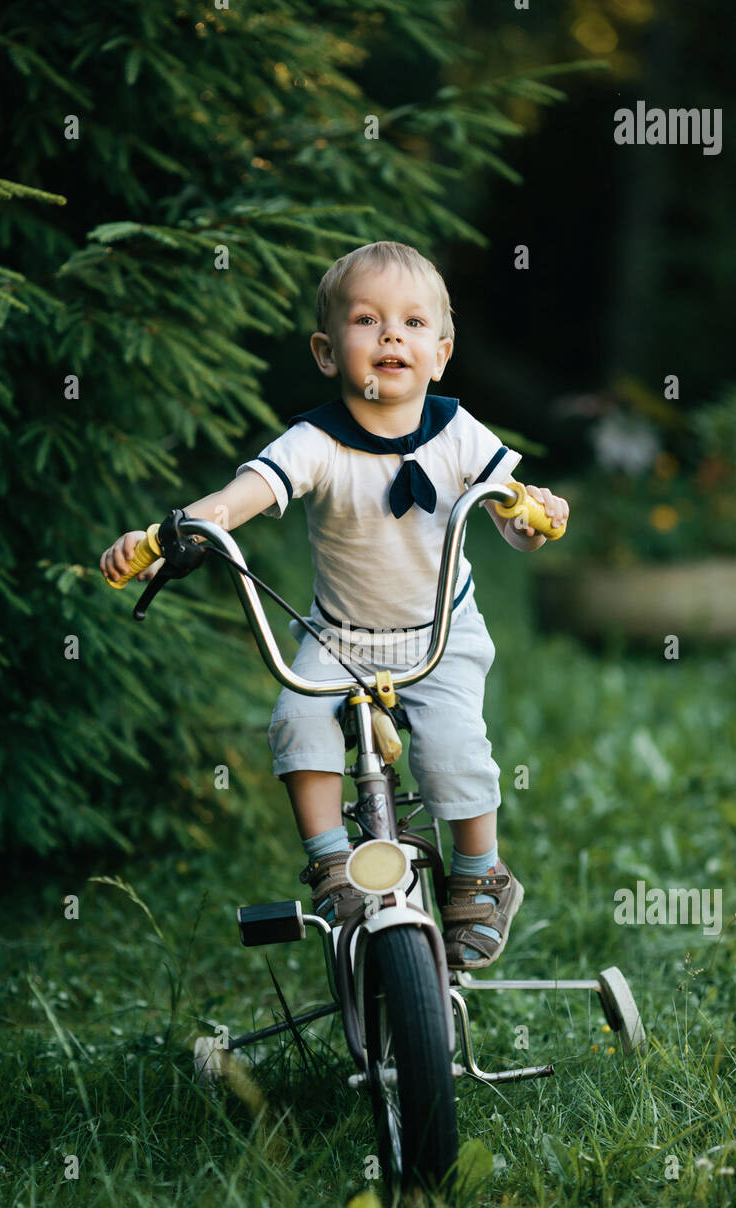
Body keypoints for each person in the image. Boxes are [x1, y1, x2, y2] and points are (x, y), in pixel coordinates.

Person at [100, 241, 569, 968]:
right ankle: (331, 865)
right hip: (341, 637)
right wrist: (169, 534)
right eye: (367, 320)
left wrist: (533, 514)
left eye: (413, 323)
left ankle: (481, 874)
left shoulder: (459, 432)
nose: (391, 336)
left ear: (440, 353)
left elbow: (512, 518)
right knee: (296, 722)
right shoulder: (315, 443)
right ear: (327, 351)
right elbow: (238, 498)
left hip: (439, 632)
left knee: (451, 749)